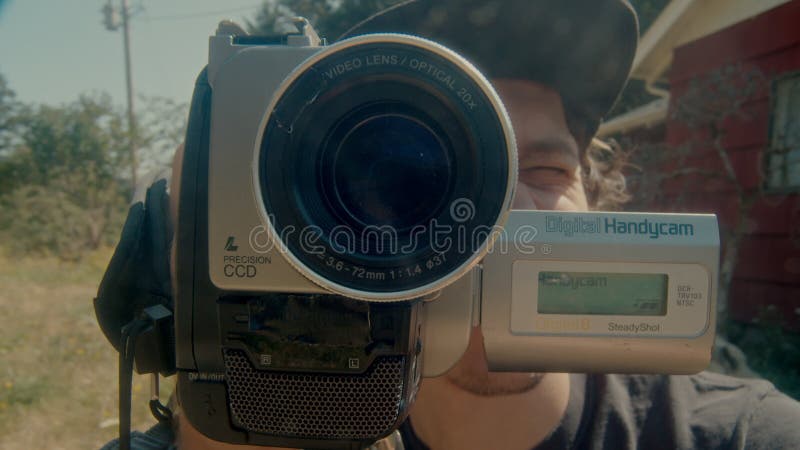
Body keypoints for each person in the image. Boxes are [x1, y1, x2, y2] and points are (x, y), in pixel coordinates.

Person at [100, 0, 800, 449]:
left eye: (546, 172)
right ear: (297, 221)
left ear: (599, 205)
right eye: (415, 180)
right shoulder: (276, 426)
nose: (501, 216)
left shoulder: (739, 437)